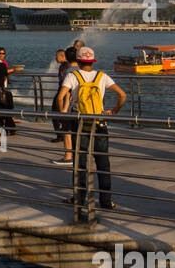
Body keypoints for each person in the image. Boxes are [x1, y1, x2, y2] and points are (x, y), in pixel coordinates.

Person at [61, 46, 126, 216]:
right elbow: (123, 95)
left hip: (80, 123)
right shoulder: (102, 76)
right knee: (103, 163)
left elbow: (61, 96)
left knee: (80, 163)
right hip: (100, 122)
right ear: (92, 60)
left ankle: (79, 198)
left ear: (79, 60)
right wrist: (114, 110)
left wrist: (62, 112)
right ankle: (106, 201)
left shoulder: (72, 75)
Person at [50, 46, 80, 163]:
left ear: (66, 57)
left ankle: (68, 157)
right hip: (80, 104)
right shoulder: (83, 70)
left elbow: (66, 92)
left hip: (70, 103)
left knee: (67, 129)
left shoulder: (68, 71)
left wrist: (63, 108)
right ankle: (79, 156)